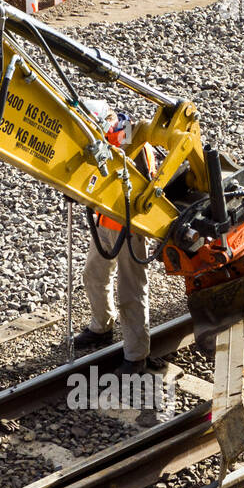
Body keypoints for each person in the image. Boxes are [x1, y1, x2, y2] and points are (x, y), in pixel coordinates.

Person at [72, 105, 166, 377]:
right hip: (104, 221)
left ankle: (137, 356)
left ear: (108, 122)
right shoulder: (100, 141)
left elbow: (142, 189)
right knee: (93, 275)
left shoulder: (134, 144)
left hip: (130, 227)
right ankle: (101, 327)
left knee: (131, 291)